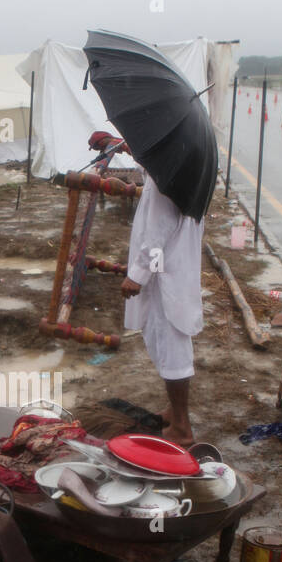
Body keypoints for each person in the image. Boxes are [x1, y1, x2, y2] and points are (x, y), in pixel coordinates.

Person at [120, 171, 204, 444]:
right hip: (173, 269)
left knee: (171, 346)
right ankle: (175, 411)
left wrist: (138, 274)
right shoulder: (181, 169)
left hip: (165, 273)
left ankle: (181, 425)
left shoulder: (165, 179)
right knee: (166, 342)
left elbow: (159, 230)